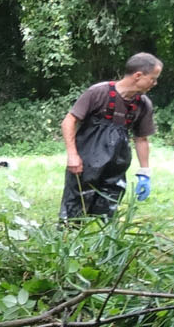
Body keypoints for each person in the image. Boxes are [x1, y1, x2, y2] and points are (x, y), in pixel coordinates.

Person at [59, 53, 162, 220]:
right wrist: (72, 155)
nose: (155, 83)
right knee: (75, 208)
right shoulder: (98, 93)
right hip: (86, 161)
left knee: (108, 206)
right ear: (138, 76)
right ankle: (69, 239)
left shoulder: (143, 104)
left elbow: (141, 139)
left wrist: (145, 172)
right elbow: (69, 121)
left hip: (117, 163)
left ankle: (101, 240)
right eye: (153, 78)